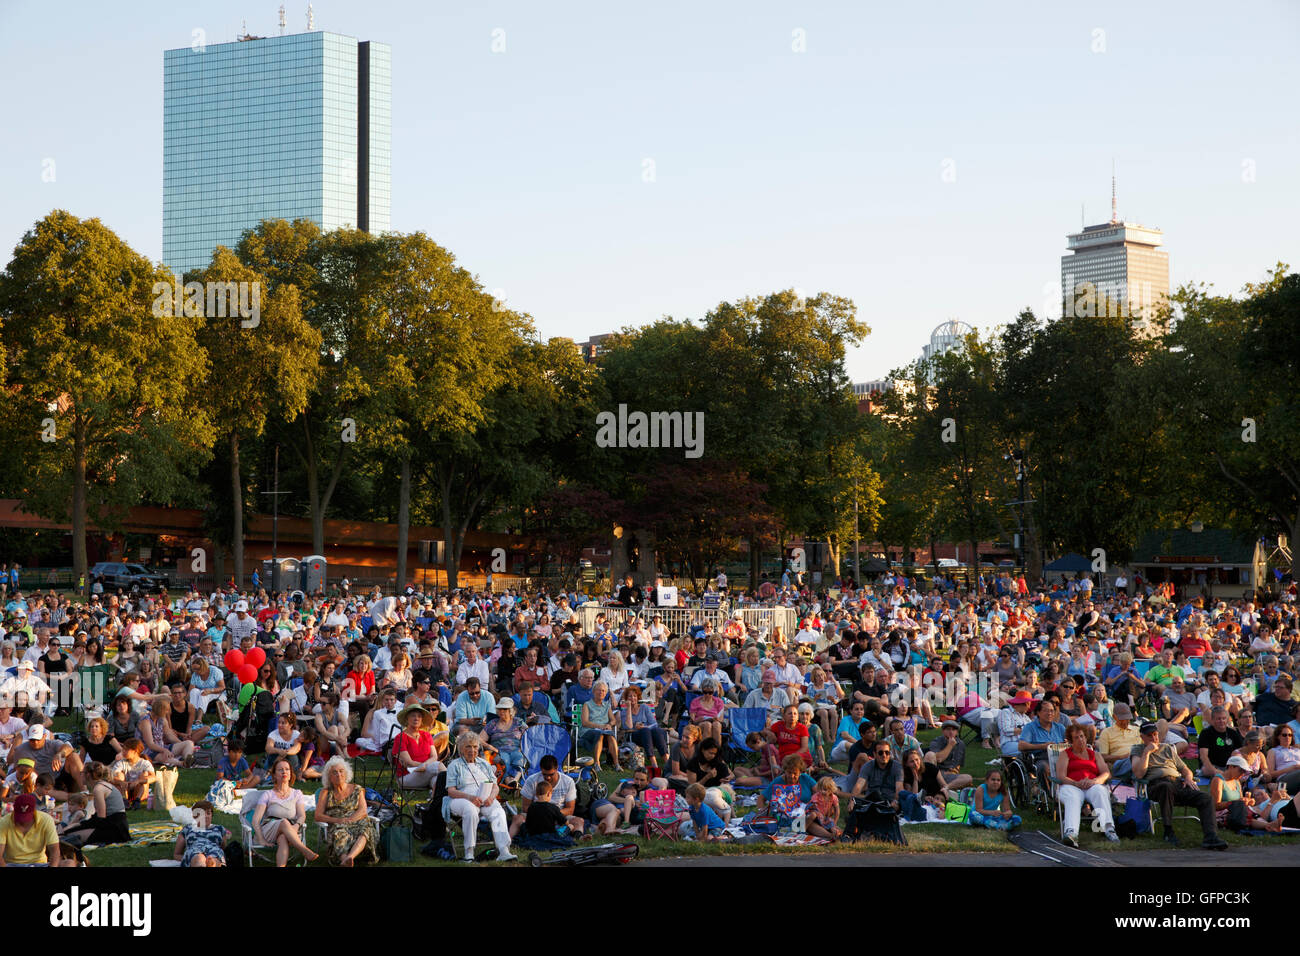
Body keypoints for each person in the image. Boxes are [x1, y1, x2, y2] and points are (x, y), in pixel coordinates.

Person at [1131, 722, 1227, 850]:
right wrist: (1147, 753)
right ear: (1142, 737)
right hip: (1156, 785)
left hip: (1176, 782)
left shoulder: (1167, 748)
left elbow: (1186, 769)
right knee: (1166, 787)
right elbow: (1138, 774)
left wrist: (1188, 778)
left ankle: (1211, 836)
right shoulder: (1138, 750)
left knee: (1205, 798)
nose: (1154, 738)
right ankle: (1168, 831)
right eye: (1150, 736)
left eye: (1155, 735)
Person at [445, 732, 517, 862]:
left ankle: (503, 851)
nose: (472, 750)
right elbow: (451, 791)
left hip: (485, 799)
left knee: (498, 811)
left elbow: (495, 786)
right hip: (461, 798)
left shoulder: (484, 764)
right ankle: (469, 853)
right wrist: (470, 797)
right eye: (468, 747)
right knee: (470, 811)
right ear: (461, 749)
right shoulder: (454, 765)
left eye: (474, 747)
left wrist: (491, 797)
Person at [1055, 723, 1118, 846]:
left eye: (1082, 736)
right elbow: (1061, 776)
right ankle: (1071, 833)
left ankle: (1109, 828)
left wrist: (1094, 781)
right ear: (1071, 740)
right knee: (1073, 797)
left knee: (1100, 791)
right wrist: (1075, 783)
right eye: (1076, 738)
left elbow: (1106, 773)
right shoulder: (1065, 754)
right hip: (1071, 785)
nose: (1080, 740)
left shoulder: (1095, 754)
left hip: (1092, 785)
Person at [250, 758, 319, 867]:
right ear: (274, 775)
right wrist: (261, 839)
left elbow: (301, 815)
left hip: (291, 831)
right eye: (280, 770)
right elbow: (255, 820)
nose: (284, 772)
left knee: (283, 838)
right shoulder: (268, 794)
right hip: (269, 830)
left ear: (291, 774)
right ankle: (304, 850)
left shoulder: (297, 793)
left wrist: (296, 826)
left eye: (287, 769)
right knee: (284, 822)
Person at [314, 756, 379, 866]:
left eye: (341, 771)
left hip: (357, 821)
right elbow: (318, 816)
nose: (339, 774)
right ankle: (346, 860)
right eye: (334, 772)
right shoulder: (325, 792)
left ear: (346, 773)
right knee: (339, 833)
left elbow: (363, 810)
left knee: (366, 830)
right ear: (329, 777)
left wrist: (349, 820)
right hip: (337, 824)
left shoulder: (357, 789)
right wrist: (338, 820)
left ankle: (349, 858)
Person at [60, 762, 129, 847]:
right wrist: (79, 825)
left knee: (68, 835)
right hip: (114, 825)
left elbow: (101, 819)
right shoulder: (101, 786)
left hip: (114, 829)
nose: (80, 775)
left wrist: (79, 825)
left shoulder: (98, 789)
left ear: (88, 775)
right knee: (68, 832)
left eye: (82, 773)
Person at [0, 793, 61, 866]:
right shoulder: (4, 822)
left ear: (34, 811)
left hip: (39, 863)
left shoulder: (46, 820)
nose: (23, 821)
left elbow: (55, 851)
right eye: (20, 816)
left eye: (26, 817)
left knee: (69, 863)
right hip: (12, 864)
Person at [616, 685, 668, 769]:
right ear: (626, 698)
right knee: (645, 731)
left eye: (634, 696)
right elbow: (628, 727)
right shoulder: (624, 712)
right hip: (634, 736)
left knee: (657, 731)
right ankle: (653, 762)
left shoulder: (645, 707)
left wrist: (644, 726)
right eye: (630, 696)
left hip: (650, 735)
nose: (632, 698)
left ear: (638, 697)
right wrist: (629, 708)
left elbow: (654, 723)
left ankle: (667, 760)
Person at [481, 697, 526, 783]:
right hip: (499, 751)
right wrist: (489, 746)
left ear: (511, 711)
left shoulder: (519, 722)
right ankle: (508, 781)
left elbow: (528, 736)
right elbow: (479, 739)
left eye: (505, 709)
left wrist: (522, 747)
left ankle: (515, 780)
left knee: (520, 758)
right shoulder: (493, 723)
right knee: (504, 760)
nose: (501, 711)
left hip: (517, 750)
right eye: (500, 709)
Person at [172, 800, 230, 867]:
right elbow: (177, 854)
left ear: (211, 815)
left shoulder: (220, 829)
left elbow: (223, 849)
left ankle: (212, 863)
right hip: (195, 851)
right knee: (199, 859)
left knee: (214, 859)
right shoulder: (187, 829)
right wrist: (187, 859)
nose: (206, 816)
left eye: (208, 813)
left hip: (214, 851)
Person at [579, 680, 621, 772]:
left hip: (604, 731)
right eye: (599, 690)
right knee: (600, 734)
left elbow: (613, 720)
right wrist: (600, 726)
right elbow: (585, 722)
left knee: (610, 735)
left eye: (603, 691)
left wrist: (609, 724)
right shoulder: (587, 704)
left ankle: (616, 764)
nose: (601, 692)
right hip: (588, 730)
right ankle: (597, 764)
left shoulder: (606, 705)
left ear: (605, 693)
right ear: (594, 692)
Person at [924, 720, 972, 790]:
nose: (951, 732)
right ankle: (942, 787)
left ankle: (945, 788)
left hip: (950, 774)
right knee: (930, 754)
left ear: (957, 732)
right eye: (948, 729)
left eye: (954, 729)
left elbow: (958, 765)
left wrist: (953, 773)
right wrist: (950, 745)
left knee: (968, 777)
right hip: (936, 773)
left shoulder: (961, 744)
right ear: (943, 731)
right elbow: (939, 759)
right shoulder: (936, 741)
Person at [688, 679, 728, 747]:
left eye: (710, 692)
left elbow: (721, 720)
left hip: (715, 723)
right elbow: (692, 720)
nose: (707, 695)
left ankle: (717, 751)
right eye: (705, 692)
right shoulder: (695, 701)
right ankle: (703, 751)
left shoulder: (719, 702)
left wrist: (716, 719)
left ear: (713, 691)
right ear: (702, 690)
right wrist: (701, 719)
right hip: (699, 723)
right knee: (707, 725)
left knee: (716, 725)